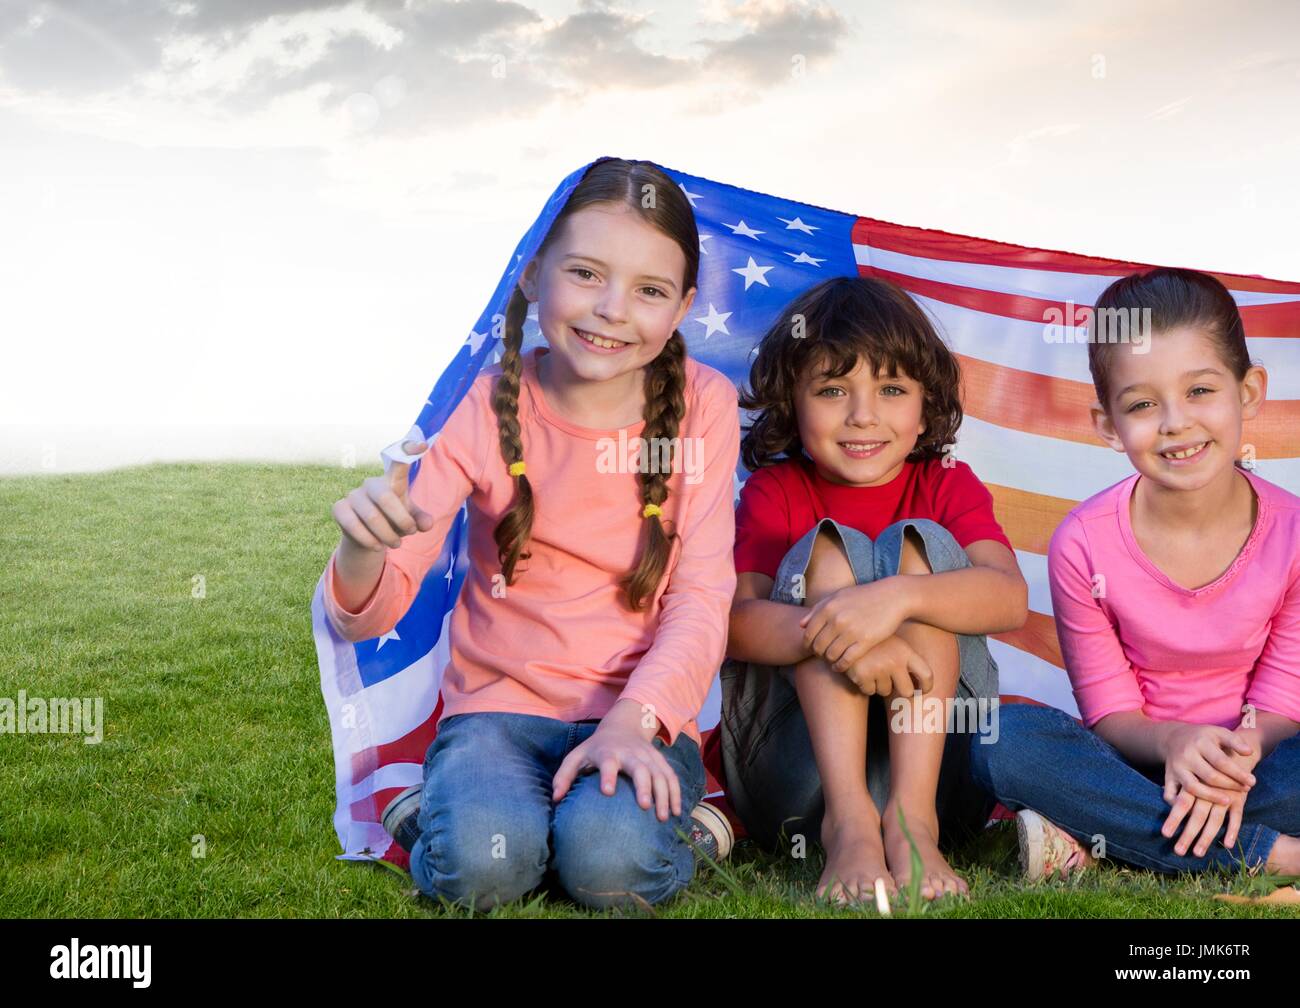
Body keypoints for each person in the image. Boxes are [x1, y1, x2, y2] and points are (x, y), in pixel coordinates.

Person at [323, 157, 740, 910]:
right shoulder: (485, 408)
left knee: (607, 869)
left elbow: (702, 597)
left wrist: (631, 723)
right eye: (585, 273)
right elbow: (373, 610)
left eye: (648, 291)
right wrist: (362, 550)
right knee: (486, 872)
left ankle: (676, 826)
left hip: (639, 713)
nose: (613, 309)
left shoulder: (706, 405)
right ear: (532, 275)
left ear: (680, 310)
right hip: (496, 715)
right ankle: (466, 815)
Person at [971, 267, 1300, 882]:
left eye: (1200, 390)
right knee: (1002, 738)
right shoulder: (1084, 542)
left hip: (1261, 765)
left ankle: (1111, 840)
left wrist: (1236, 754)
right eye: (1143, 404)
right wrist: (1177, 744)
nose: (1175, 422)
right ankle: (1270, 852)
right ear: (1107, 425)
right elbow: (1110, 714)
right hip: (1134, 766)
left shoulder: (1294, 533)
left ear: (1248, 392)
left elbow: (1283, 694)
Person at [721, 275, 1028, 905]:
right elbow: (733, 622)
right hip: (801, 781)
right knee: (828, 550)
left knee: (915, 544)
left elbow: (1008, 597)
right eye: (833, 390)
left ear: (925, 407)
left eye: (891, 389)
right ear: (792, 402)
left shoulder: (947, 481)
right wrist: (849, 641)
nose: (863, 415)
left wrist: (897, 601)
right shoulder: (774, 492)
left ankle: (913, 824)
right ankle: (851, 825)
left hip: (943, 780)